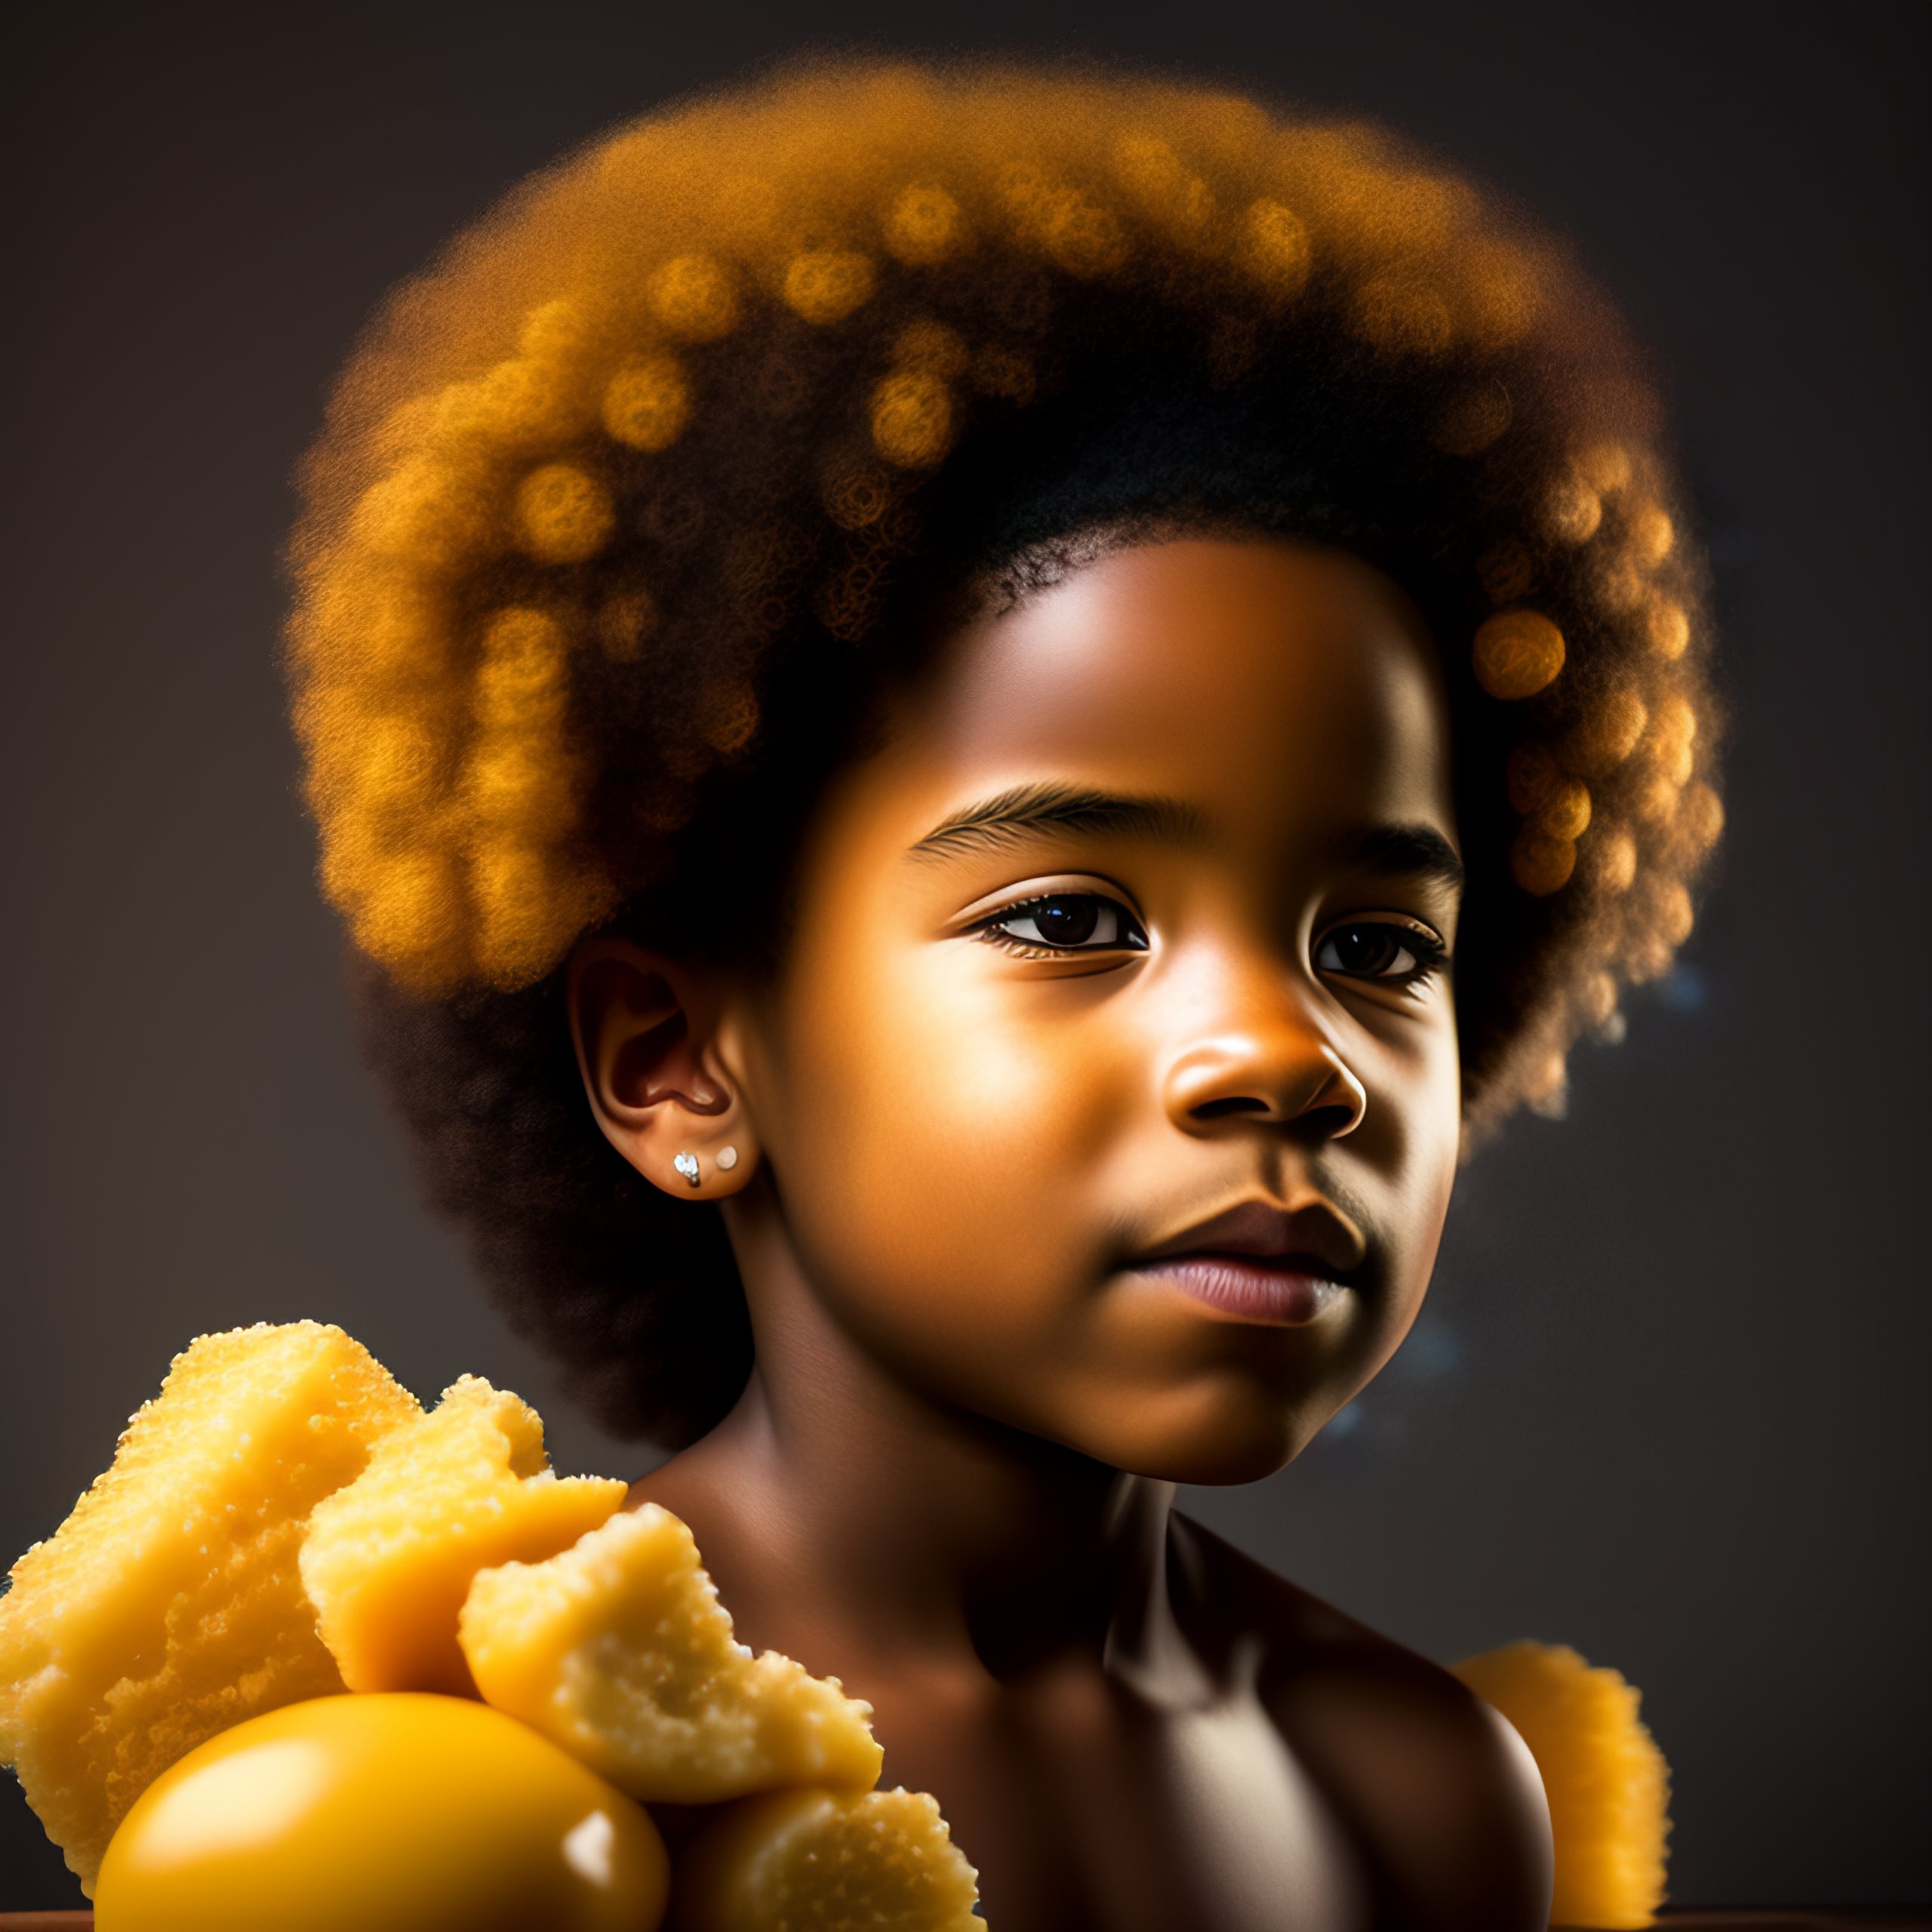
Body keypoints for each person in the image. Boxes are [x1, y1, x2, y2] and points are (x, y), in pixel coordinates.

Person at [290, 57, 1719, 1928]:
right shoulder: (481, 1803)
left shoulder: (1424, 1795)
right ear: (677, 1064)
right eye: (1068, 919)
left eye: (1377, 947)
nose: (1288, 1056)